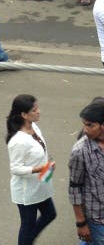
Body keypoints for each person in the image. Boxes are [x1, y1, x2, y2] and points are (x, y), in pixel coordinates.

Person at [6, 94, 56, 245]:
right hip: (27, 191)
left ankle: (28, 240)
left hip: (41, 182)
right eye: (34, 110)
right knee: (28, 225)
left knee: (50, 214)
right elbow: (15, 168)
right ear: (24, 114)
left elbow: (40, 151)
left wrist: (48, 165)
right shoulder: (18, 141)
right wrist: (38, 168)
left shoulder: (34, 127)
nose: (39, 111)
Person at [69, 100, 104, 244]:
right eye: (84, 124)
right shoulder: (80, 151)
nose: (85, 129)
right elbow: (74, 187)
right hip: (97, 219)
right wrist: (81, 223)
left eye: (90, 125)